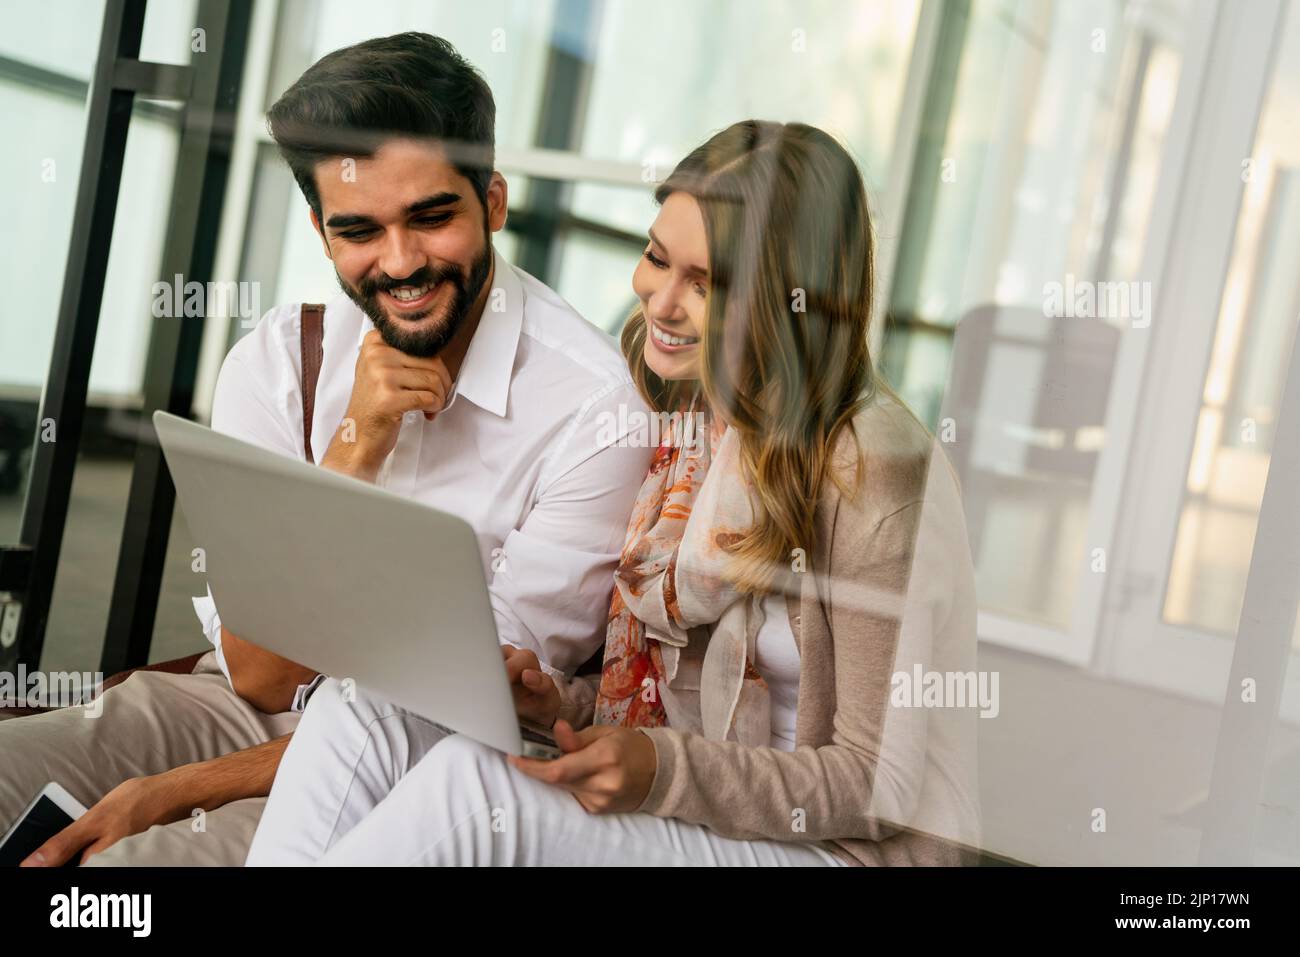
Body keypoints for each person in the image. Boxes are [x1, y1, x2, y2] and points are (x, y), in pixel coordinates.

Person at [246, 120, 981, 866]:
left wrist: (661, 769)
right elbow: (653, 701)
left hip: (838, 850)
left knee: (481, 793)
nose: (660, 302)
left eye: (706, 283)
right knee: (362, 708)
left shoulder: (875, 470)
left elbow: (878, 780)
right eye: (657, 259)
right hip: (708, 814)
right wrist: (555, 703)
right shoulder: (690, 424)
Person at [5, 32, 651, 866]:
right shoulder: (281, 362)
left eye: (432, 216)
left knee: (119, 871)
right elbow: (261, 678)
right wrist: (356, 443)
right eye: (360, 230)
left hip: (416, 768)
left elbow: (457, 718)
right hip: (241, 707)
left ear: (491, 202)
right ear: (320, 230)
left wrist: (172, 791)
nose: (402, 262)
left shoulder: (595, 409)